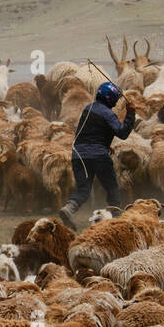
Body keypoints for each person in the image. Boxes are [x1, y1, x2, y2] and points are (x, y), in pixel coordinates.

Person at [57, 79, 136, 229]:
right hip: (98, 156)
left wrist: (105, 144)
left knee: (84, 189)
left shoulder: (88, 109)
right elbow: (123, 132)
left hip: (78, 155)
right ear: (110, 98)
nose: (117, 101)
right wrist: (130, 113)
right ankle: (117, 218)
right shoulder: (108, 114)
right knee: (112, 188)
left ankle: (69, 209)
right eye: (116, 98)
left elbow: (91, 131)